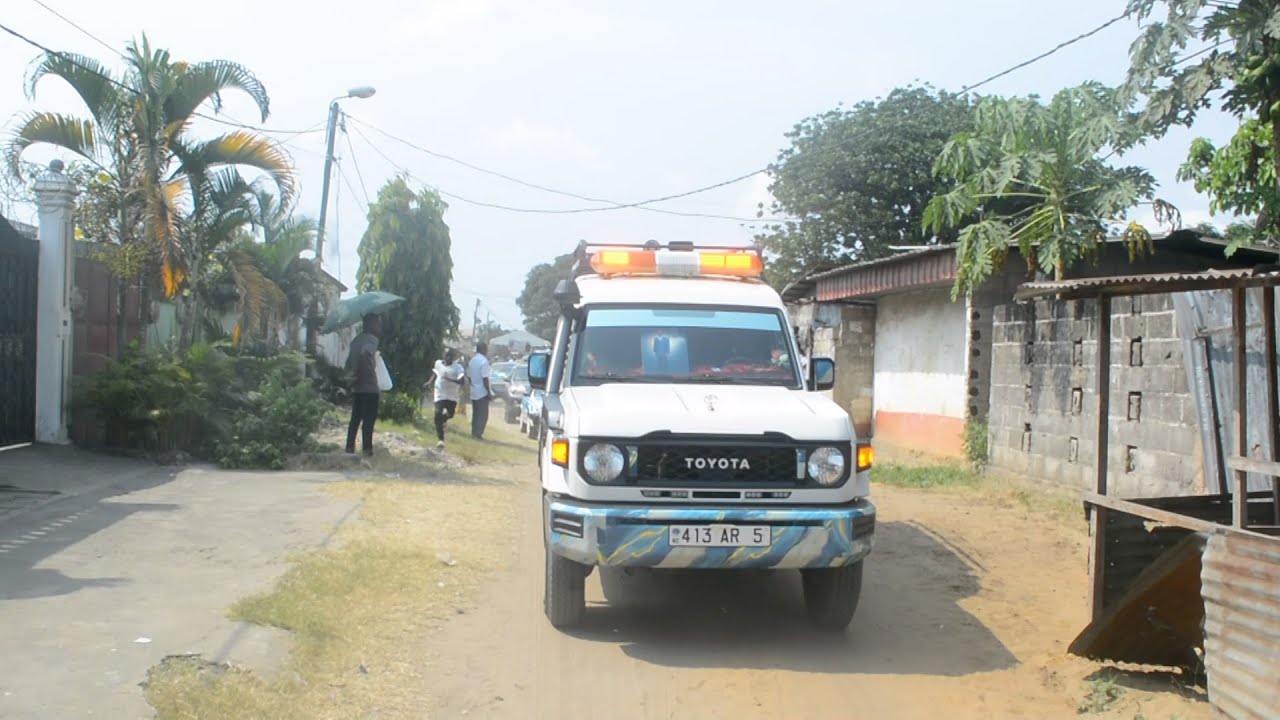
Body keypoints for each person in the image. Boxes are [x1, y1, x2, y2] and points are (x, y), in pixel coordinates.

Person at [345, 314, 382, 456]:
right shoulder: (372, 340)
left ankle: (349, 448)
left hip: (357, 386)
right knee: (368, 420)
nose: (380, 326)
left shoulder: (355, 341)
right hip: (369, 386)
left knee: (355, 418)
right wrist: (367, 375)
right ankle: (367, 450)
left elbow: (348, 363)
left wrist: (353, 379)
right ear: (370, 323)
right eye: (378, 323)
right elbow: (365, 355)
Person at [431, 348, 466, 449]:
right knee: (437, 414)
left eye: (450, 356)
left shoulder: (458, 368)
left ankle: (443, 420)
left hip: (452, 395)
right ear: (443, 355)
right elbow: (435, 373)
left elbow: (462, 382)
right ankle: (440, 440)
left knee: (450, 414)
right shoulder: (438, 363)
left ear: (453, 357)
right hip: (440, 393)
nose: (448, 358)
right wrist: (429, 382)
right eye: (447, 355)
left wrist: (449, 379)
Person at [467, 341, 492, 439]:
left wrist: (473, 384)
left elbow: (468, 376)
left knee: (475, 413)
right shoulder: (484, 361)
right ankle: (478, 433)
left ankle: (474, 432)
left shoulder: (472, 360)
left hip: (473, 390)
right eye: (486, 349)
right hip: (482, 392)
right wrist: (488, 392)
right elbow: (485, 378)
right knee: (483, 414)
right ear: (483, 349)